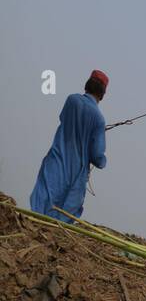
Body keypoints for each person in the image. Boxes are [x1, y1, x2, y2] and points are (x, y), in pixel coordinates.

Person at [30, 70, 109, 223]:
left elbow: (63, 119)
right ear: (103, 94)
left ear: (87, 85)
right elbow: (97, 157)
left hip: (55, 161)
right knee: (62, 218)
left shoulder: (71, 100)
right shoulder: (99, 119)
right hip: (76, 174)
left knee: (40, 207)